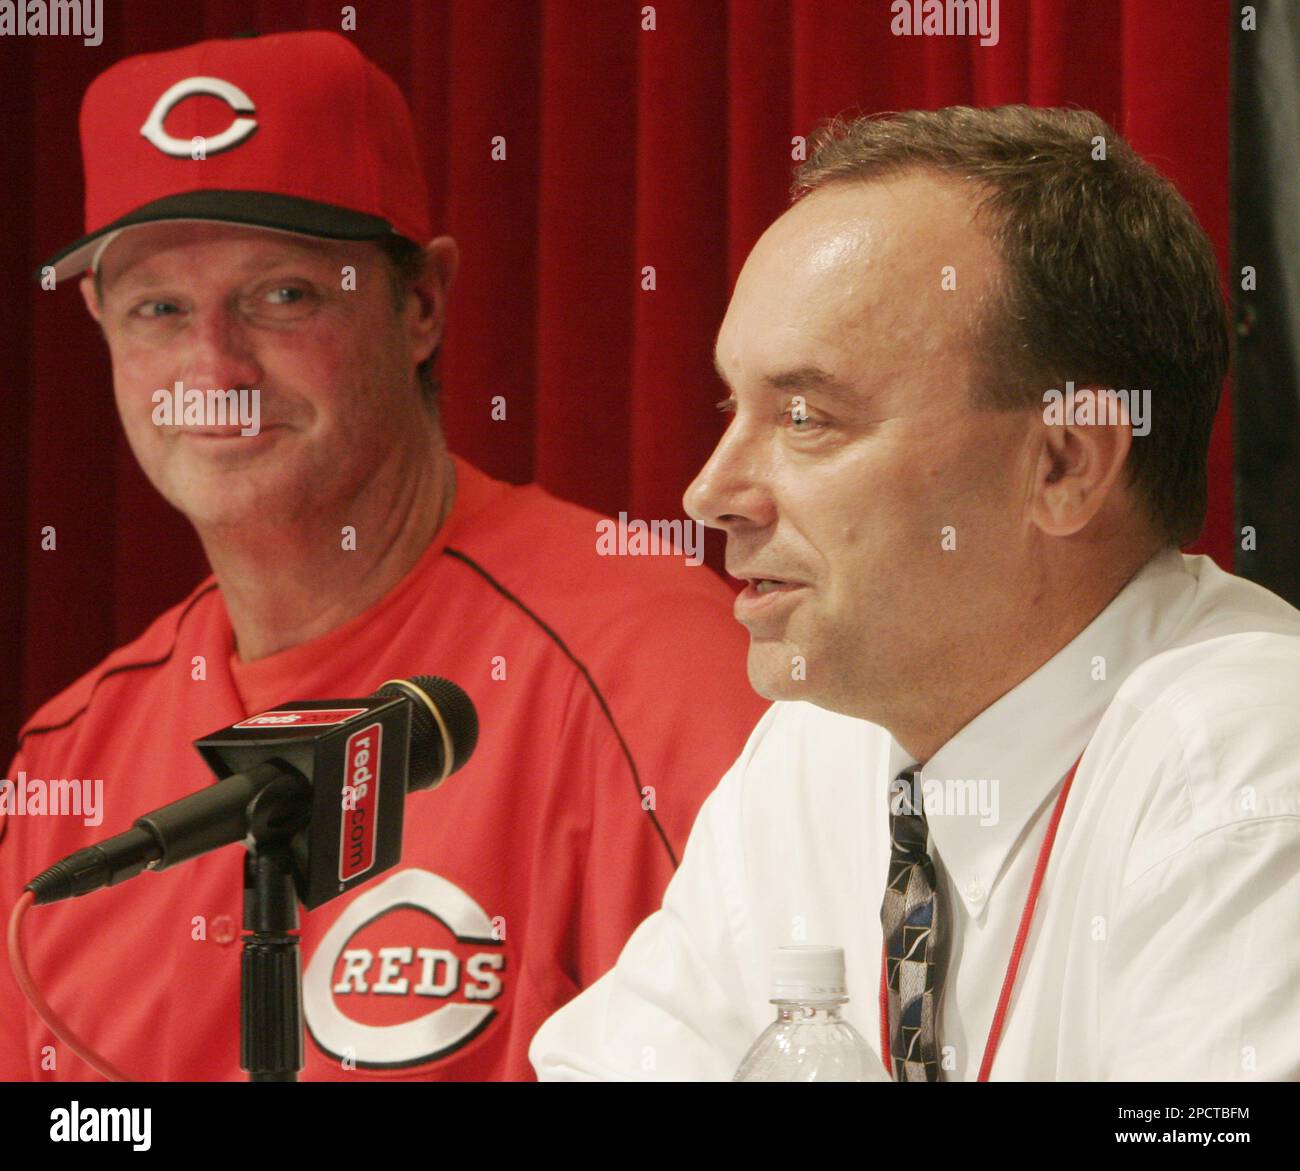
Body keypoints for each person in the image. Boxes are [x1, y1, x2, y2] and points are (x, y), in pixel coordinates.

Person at [0, 30, 767, 1081]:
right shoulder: (68, 758)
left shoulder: (654, 668)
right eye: (159, 310)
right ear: (100, 323)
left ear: (420, 304)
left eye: (283, 296)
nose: (213, 370)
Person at [530, 106, 1300, 1081]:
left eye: (805, 417)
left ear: (1062, 464)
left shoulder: (1245, 773)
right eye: (734, 407)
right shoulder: (820, 741)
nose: (709, 493)